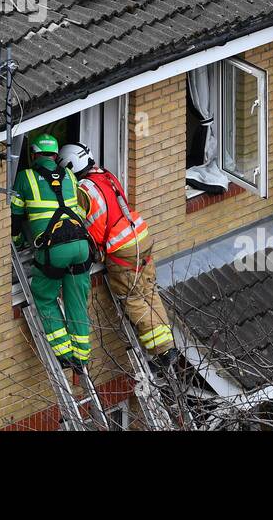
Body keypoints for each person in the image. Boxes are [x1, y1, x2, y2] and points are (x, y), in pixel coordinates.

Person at [59, 143, 181, 373]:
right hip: (140, 236)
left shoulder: (83, 189)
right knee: (148, 291)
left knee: (132, 298)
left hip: (121, 249)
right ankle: (168, 346)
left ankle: (162, 351)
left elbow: (74, 222)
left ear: (70, 166)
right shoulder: (106, 175)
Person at [10, 133, 93, 372]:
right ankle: (82, 356)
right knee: (76, 298)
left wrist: (17, 240)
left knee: (45, 296)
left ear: (33, 154)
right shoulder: (68, 175)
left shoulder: (25, 177)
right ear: (56, 155)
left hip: (54, 249)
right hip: (81, 245)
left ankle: (65, 354)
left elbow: (15, 217)